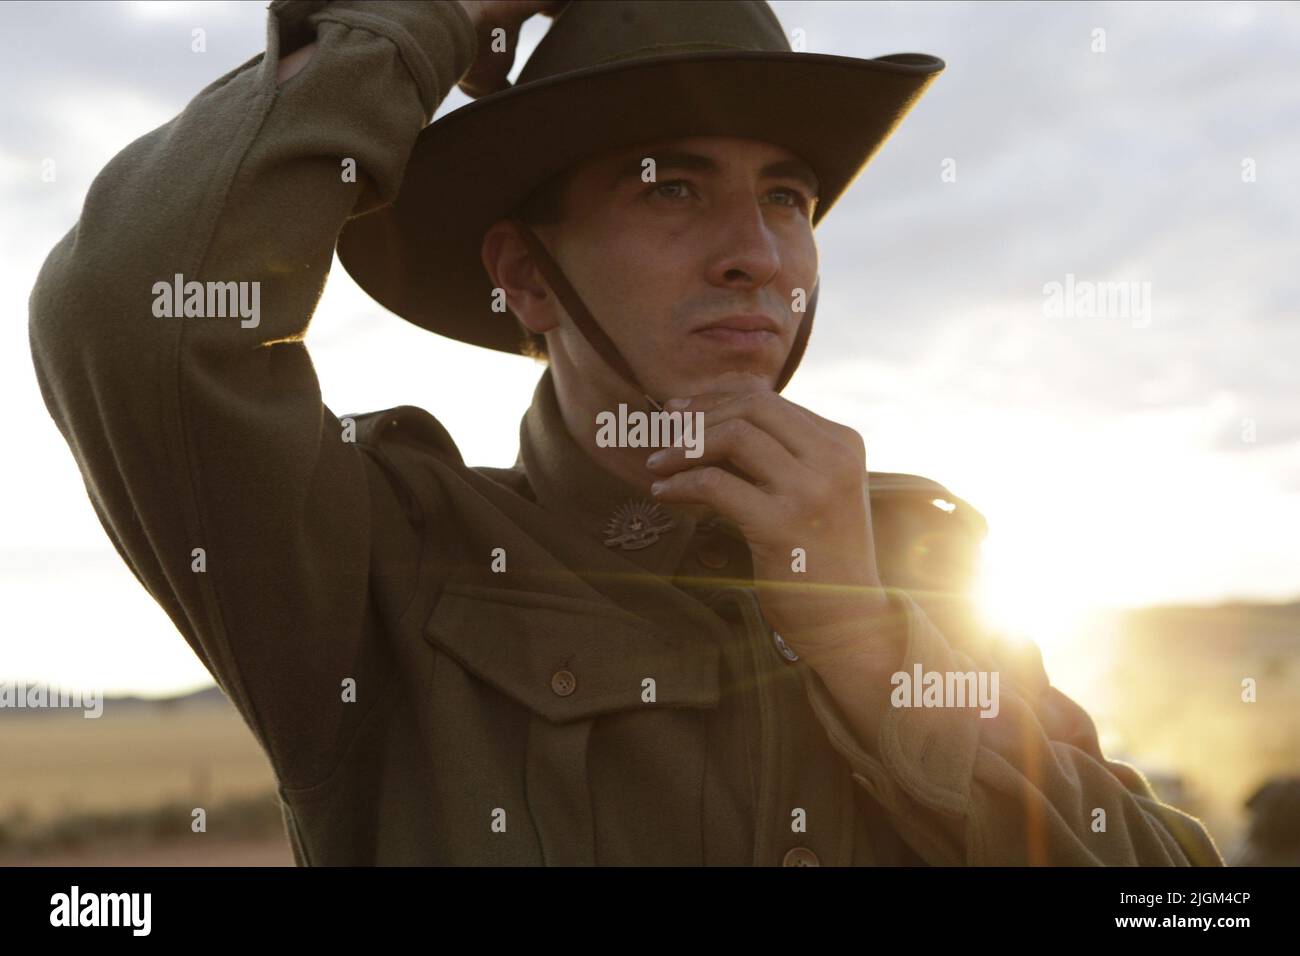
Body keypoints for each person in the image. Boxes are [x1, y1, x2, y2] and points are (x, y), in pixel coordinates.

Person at [28, 0, 1224, 866]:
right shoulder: (381, 562)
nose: (756, 252)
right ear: (527, 277)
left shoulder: (916, 563)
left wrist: (870, 648)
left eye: (787, 198)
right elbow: (130, 312)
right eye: (670, 185)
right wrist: (420, 22)